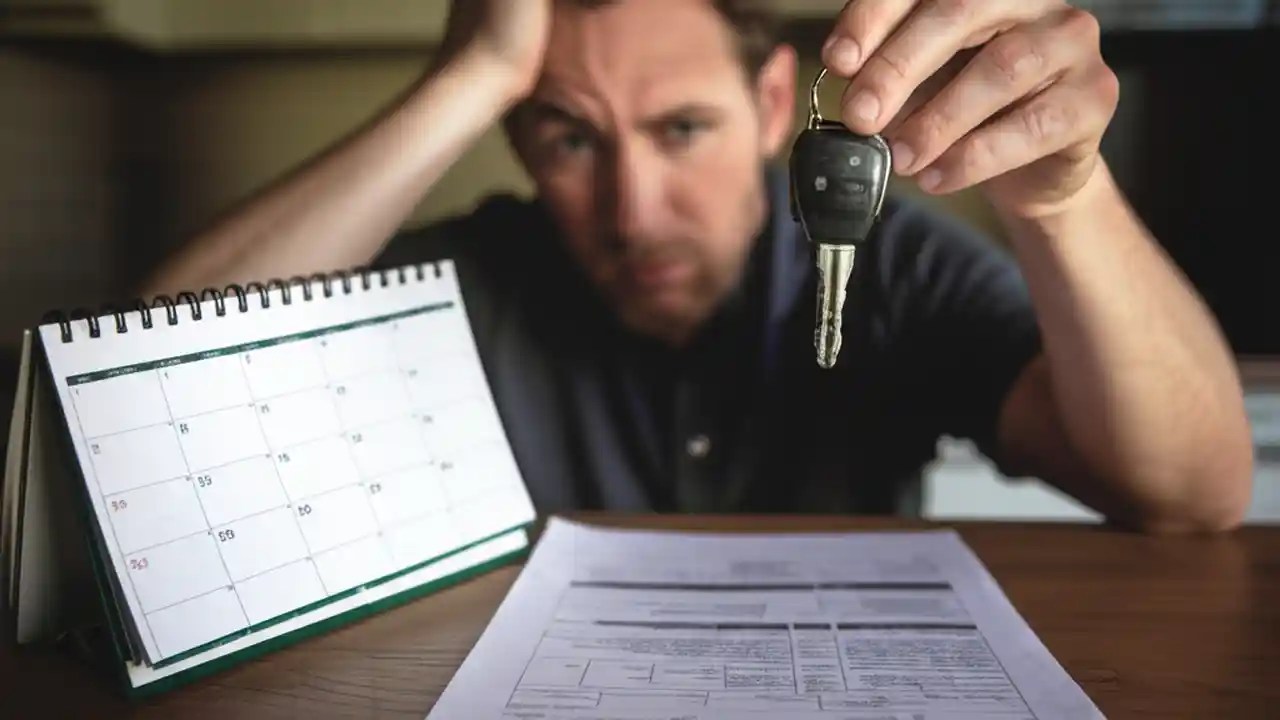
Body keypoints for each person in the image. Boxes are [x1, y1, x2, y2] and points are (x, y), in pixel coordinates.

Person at [143, 0, 1254, 532]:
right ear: (519, 141)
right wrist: (468, 77)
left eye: (680, 130)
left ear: (776, 104)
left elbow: (1191, 495)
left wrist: (1064, 197)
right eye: (570, 138)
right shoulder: (475, 276)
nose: (632, 212)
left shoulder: (891, 269)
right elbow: (147, 391)